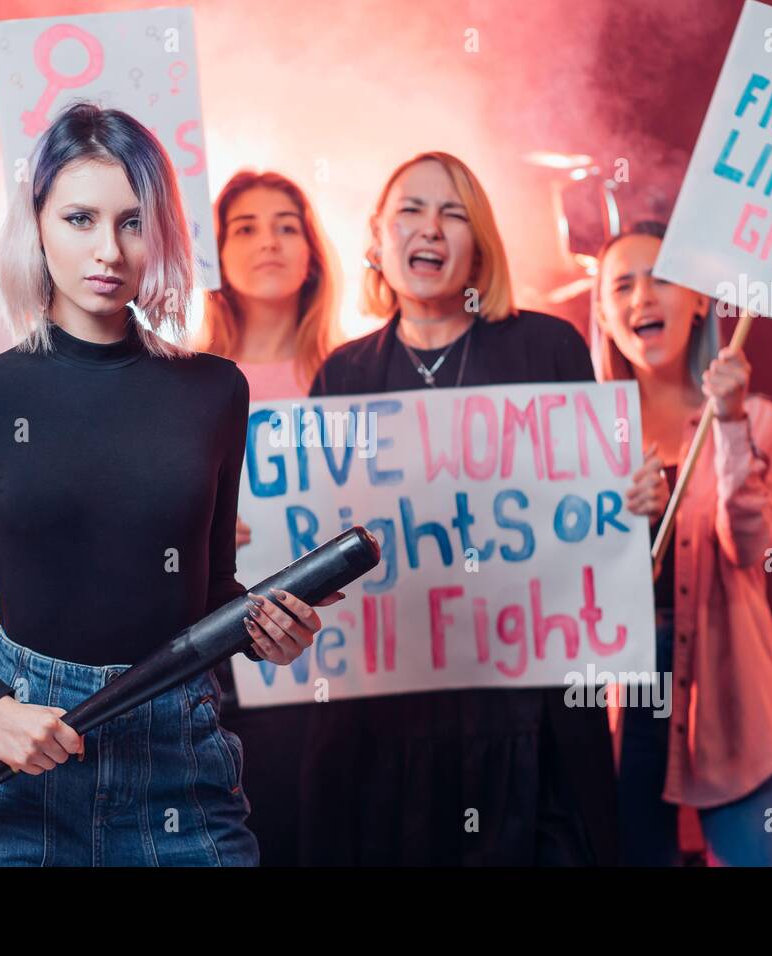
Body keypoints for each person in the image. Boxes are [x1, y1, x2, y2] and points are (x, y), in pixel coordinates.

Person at [0, 103, 341, 867]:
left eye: (132, 221)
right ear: (38, 225)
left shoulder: (215, 390)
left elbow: (208, 584)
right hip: (19, 750)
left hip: (176, 751)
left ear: (160, 231)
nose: (108, 249)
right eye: (80, 218)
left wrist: (264, 629)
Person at [300, 151, 633, 866]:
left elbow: (597, 522)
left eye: (454, 213)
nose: (432, 229)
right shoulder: (344, 374)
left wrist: (631, 501)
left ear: (479, 244)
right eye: (412, 211)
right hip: (389, 724)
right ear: (377, 237)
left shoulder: (547, 348)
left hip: (533, 719)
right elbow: (321, 539)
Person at [591, 220, 772, 866]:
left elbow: (752, 545)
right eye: (621, 285)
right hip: (619, 699)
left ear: (702, 299)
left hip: (736, 697)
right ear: (602, 312)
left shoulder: (760, 419)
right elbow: (559, 574)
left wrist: (731, 427)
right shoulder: (580, 435)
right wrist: (620, 524)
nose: (641, 297)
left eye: (661, 278)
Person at [198, 169, 342, 865]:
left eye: (288, 225)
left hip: (357, 665)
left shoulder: (355, 374)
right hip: (237, 664)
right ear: (216, 252)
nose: (270, 242)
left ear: (313, 251)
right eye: (246, 227)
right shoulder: (186, 382)